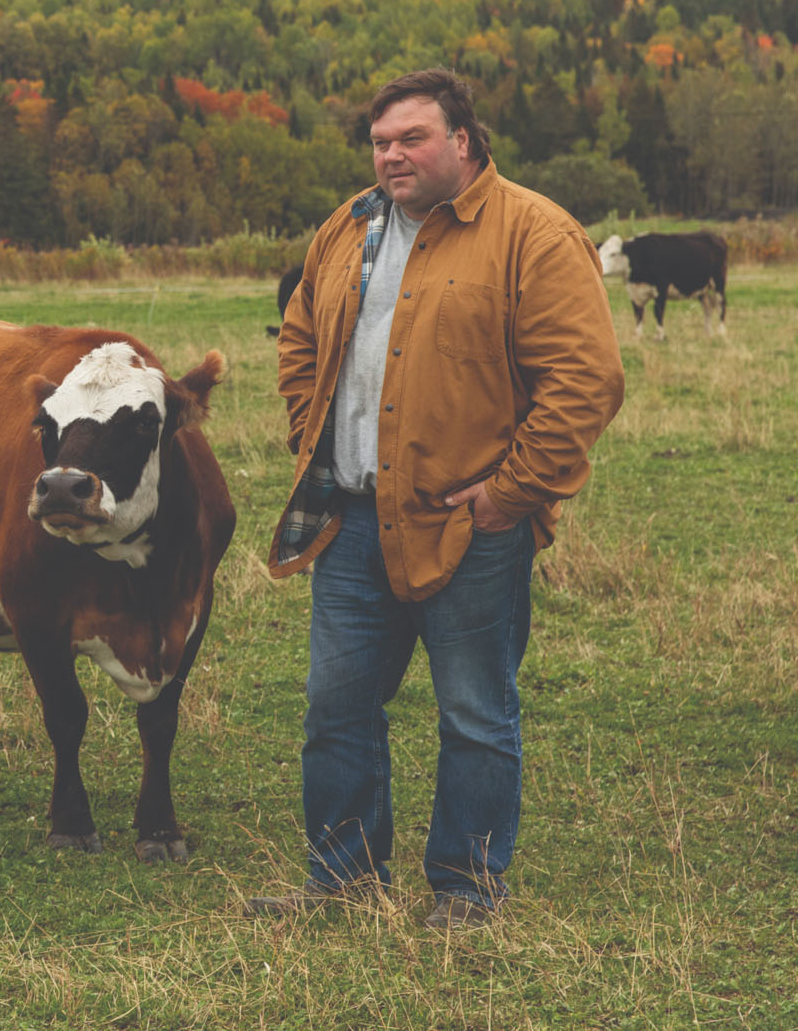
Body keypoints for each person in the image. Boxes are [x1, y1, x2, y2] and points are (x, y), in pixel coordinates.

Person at [247, 68, 624, 930]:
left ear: (463, 140)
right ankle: (341, 882)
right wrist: (313, 431)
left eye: (411, 138)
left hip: (469, 525)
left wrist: (510, 494)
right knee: (334, 705)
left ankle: (465, 890)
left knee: (475, 712)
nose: (392, 155)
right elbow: (300, 332)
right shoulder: (350, 226)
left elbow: (587, 378)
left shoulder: (531, 231)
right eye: (381, 142)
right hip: (349, 517)